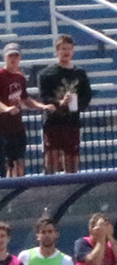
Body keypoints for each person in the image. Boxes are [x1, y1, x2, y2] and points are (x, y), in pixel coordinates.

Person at [0, 43, 47, 177]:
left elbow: (25, 98)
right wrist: (5, 108)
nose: (13, 59)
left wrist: (42, 106)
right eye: (10, 56)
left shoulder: (20, 77)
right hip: (3, 124)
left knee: (20, 158)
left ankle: (20, 183)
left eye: (16, 55)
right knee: (10, 161)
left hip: (17, 124)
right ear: (5, 57)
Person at [37, 34, 93, 174]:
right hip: (53, 121)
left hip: (72, 121)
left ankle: (72, 186)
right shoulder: (46, 74)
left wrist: (78, 106)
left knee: (72, 157)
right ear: (57, 51)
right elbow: (44, 97)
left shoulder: (80, 73)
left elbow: (87, 94)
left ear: (73, 51)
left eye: (68, 48)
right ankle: (50, 186)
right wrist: (60, 103)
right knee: (52, 157)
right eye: (62, 49)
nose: (66, 52)